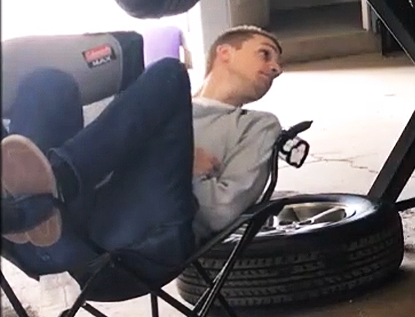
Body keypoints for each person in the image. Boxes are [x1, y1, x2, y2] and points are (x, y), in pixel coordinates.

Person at [1, 25, 285, 291]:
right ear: (225, 52)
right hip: (58, 235)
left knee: (170, 73)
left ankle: (49, 185)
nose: (276, 68)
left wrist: (184, 165)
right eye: (265, 53)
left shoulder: (257, 125)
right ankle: (28, 205)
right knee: (49, 82)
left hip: (140, 244)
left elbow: (220, 212)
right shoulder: (139, 99)